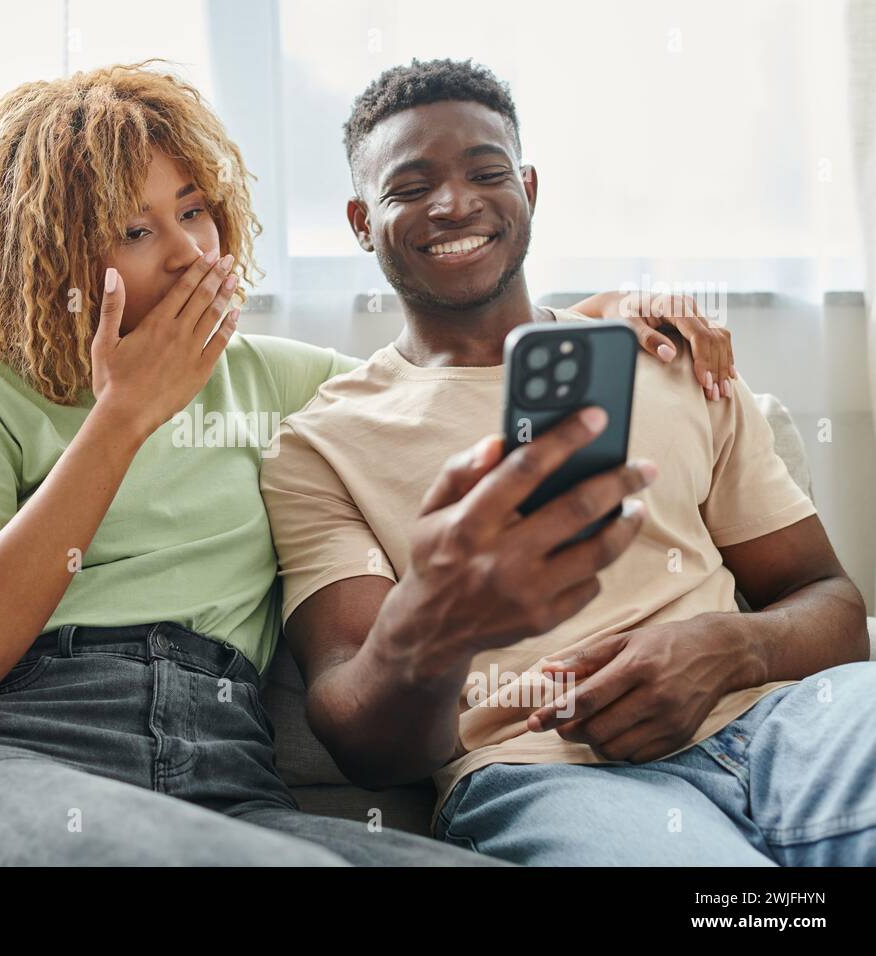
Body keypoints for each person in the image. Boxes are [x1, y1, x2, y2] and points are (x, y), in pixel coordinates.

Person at [0, 60, 735, 866]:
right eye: (136, 229)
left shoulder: (284, 383)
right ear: (56, 253)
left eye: (196, 210)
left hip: (229, 785)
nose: (189, 252)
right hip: (19, 758)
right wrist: (122, 416)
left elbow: (436, 375)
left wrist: (611, 309)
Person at [259, 57, 873, 866]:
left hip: (785, 721)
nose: (455, 204)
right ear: (359, 221)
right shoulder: (320, 443)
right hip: (543, 771)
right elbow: (361, 737)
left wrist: (732, 648)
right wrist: (441, 619)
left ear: (530, 190)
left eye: (487, 172)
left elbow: (830, 601)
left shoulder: (667, 356)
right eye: (410, 187)